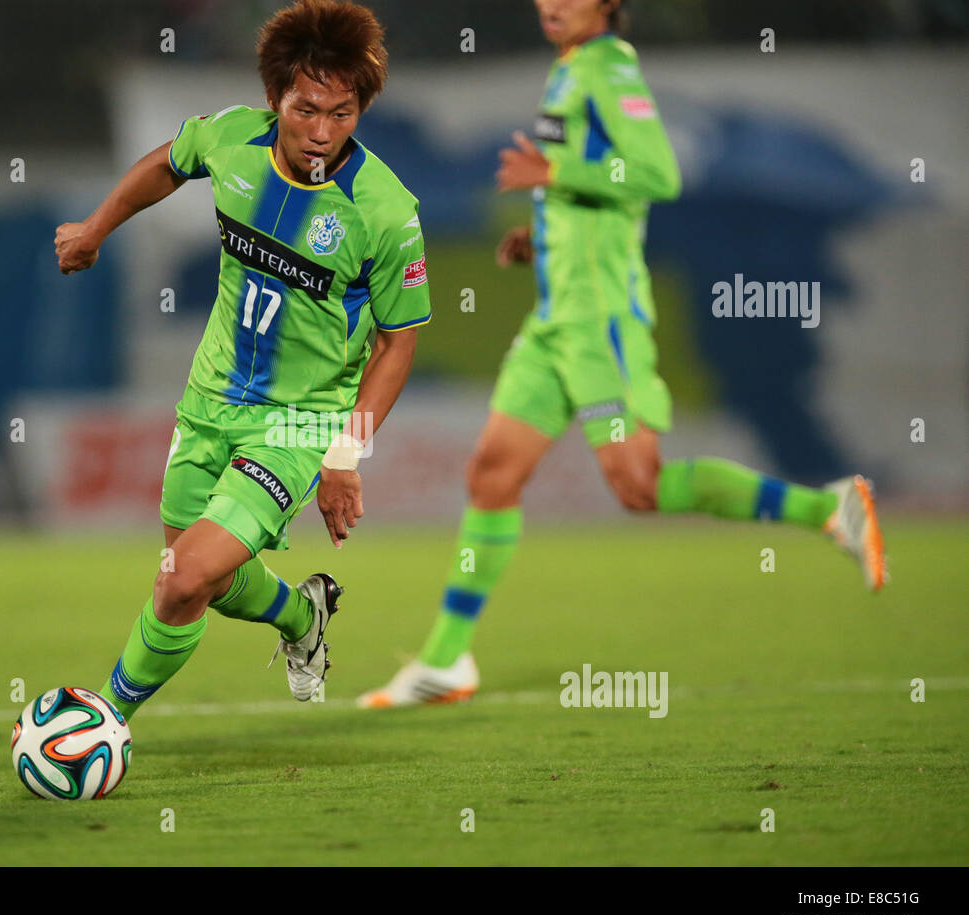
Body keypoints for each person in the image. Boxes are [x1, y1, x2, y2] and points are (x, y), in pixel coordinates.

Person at [358, 0, 885, 710]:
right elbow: (590, 194)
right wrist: (539, 240)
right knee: (491, 474)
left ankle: (828, 506)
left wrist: (559, 171)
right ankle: (447, 661)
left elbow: (658, 174)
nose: (551, 4)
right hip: (556, 322)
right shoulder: (570, 71)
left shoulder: (612, 69)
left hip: (602, 326)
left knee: (638, 487)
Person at [54, 0, 432, 717]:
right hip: (208, 402)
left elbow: (398, 340)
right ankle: (301, 617)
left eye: (342, 114)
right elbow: (169, 162)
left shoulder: (385, 210)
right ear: (274, 98)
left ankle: (102, 720)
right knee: (206, 581)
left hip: (297, 424)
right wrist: (96, 228)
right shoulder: (233, 139)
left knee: (178, 582)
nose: (322, 133)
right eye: (306, 109)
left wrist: (345, 454)